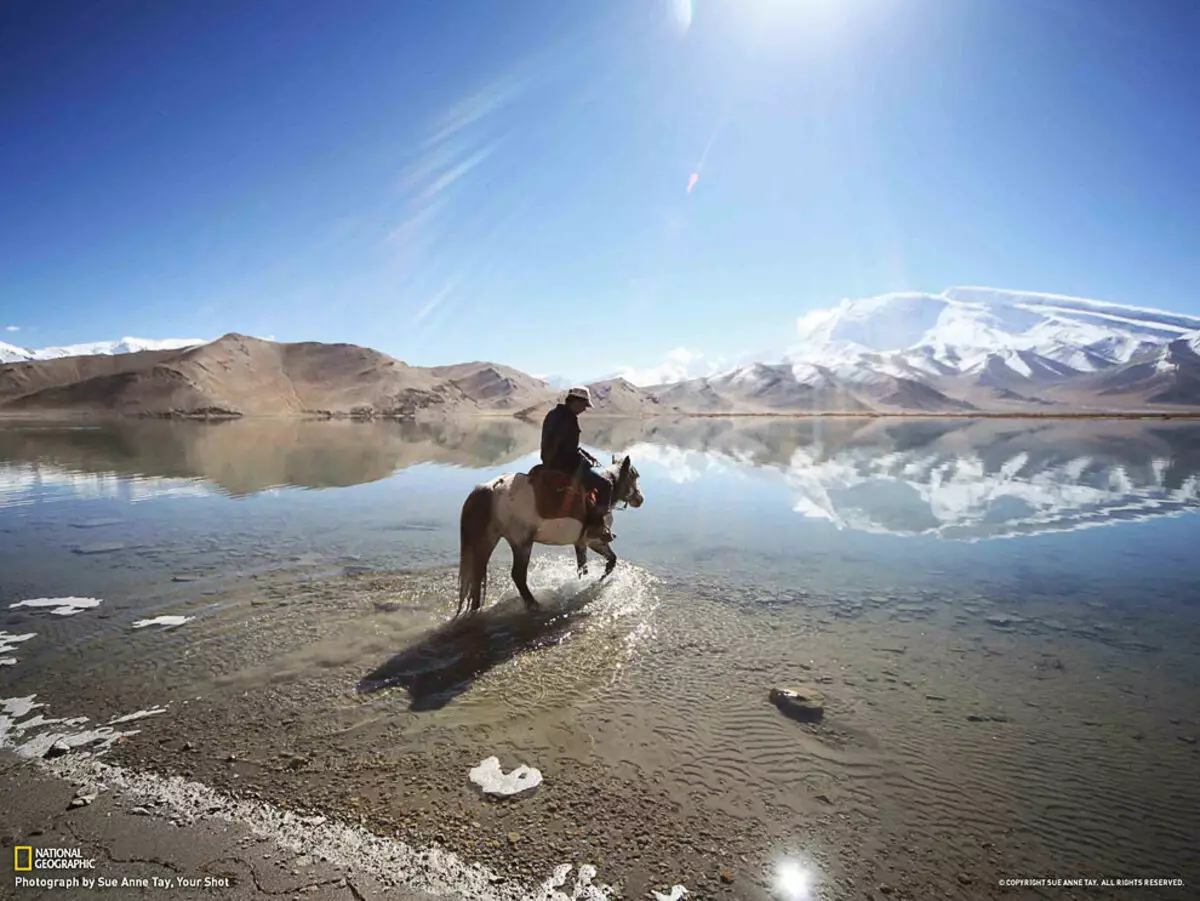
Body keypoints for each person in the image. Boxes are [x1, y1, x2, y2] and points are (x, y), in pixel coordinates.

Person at [540, 386, 615, 542]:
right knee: (606, 485)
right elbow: (566, 450)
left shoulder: (554, 414)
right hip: (563, 464)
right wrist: (583, 461)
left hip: (551, 460)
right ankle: (597, 526)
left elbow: (564, 444)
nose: (584, 409)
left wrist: (583, 453)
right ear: (575, 401)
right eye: (584, 405)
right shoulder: (568, 418)